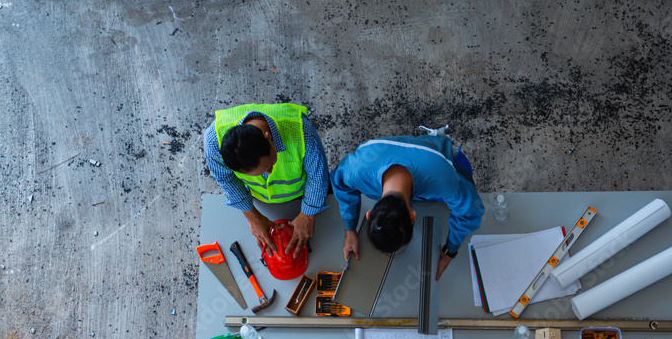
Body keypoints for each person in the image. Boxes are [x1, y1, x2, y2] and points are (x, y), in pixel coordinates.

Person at [330, 127, 484, 280]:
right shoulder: (356, 170)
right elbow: (339, 183)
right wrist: (350, 230)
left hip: (450, 162)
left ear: (412, 216)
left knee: (455, 201)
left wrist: (450, 250)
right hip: (414, 169)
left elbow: (471, 211)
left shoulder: (443, 181)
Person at [204, 102, 329, 255]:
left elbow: (318, 177)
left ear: (268, 137)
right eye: (258, 173)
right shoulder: (214, 142)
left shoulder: (302, 132)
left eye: (269, 164)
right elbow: (227, 181)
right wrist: (252, 216)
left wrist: (307, 215)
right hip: (261, 202)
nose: (270, 173)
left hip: (301, 196)